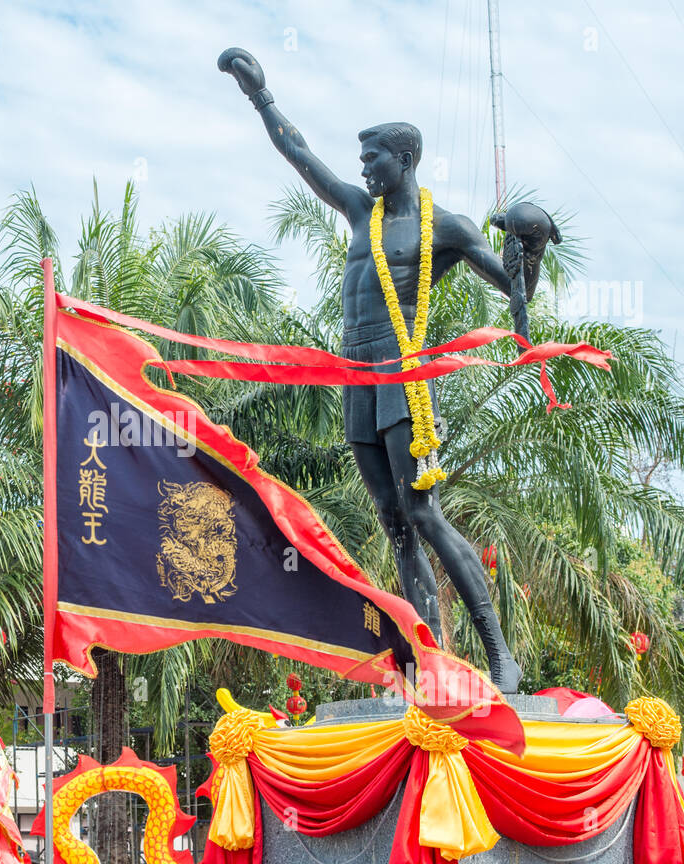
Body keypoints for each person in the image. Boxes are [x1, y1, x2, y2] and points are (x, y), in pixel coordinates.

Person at [217, 48, 554, 692]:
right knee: (395, 524)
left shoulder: (443, 227)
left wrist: (528, 246)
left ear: (403, 161)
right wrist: (260, 97)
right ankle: (426, 660)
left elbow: (516, 296)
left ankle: (500, 654)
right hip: (357, 382)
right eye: (362, 160)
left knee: (423, 514)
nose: (363, 169)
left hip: (403, 380)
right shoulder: (358, 213)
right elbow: (301, 157)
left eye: (372, 159)